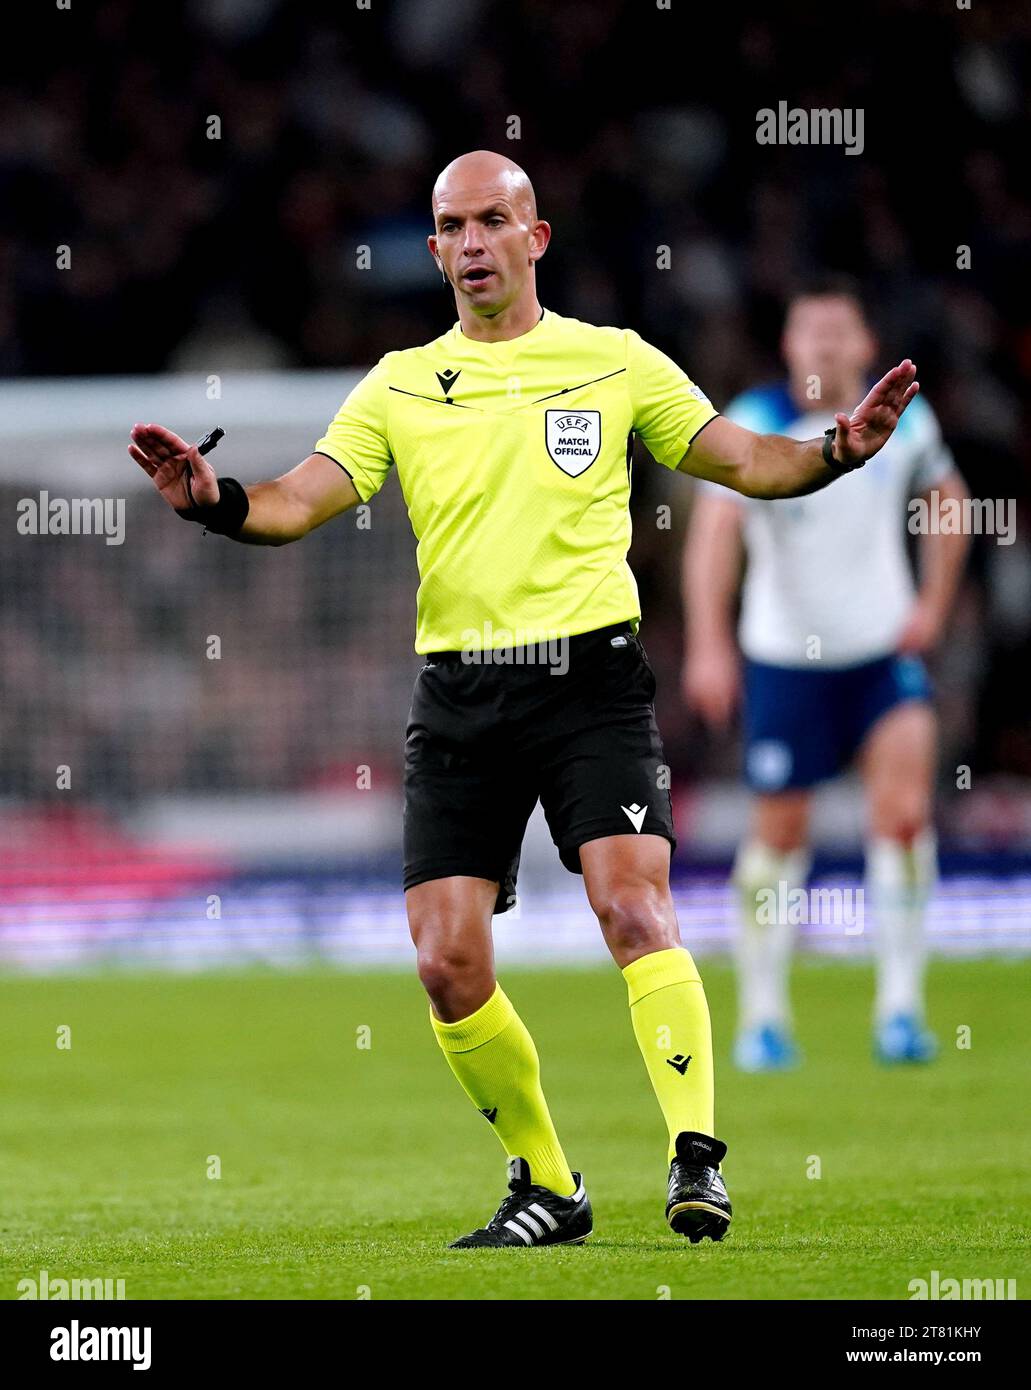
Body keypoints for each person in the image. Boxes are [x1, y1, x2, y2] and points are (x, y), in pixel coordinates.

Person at [129, 153, 920, 1248]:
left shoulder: (611, 362)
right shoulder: (399, 381)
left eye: (492, 221)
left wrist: (836, 451)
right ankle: (548, 1184)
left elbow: (744, 461)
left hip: (589, 680)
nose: (470, 244)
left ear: (534, 238)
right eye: (451, 226)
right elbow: (297, 500)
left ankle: (695, 1157)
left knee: (631, 908)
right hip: (459, 695)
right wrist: (212, 501)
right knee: (444, 962)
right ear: (434, 250)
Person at [682, 278, 969, 1072]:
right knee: (779, 836)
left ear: (864, 344)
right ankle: (764, 1018)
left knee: (905, 815)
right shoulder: (761, 421)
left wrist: (932, 607)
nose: (823, 345)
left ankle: (900, 1011)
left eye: (837, 331)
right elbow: (714, 532)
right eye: (808, 331)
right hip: (783, 661)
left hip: (882, 655)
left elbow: (948, 498)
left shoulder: (900, 420)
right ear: (787, 346)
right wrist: (708, 643)